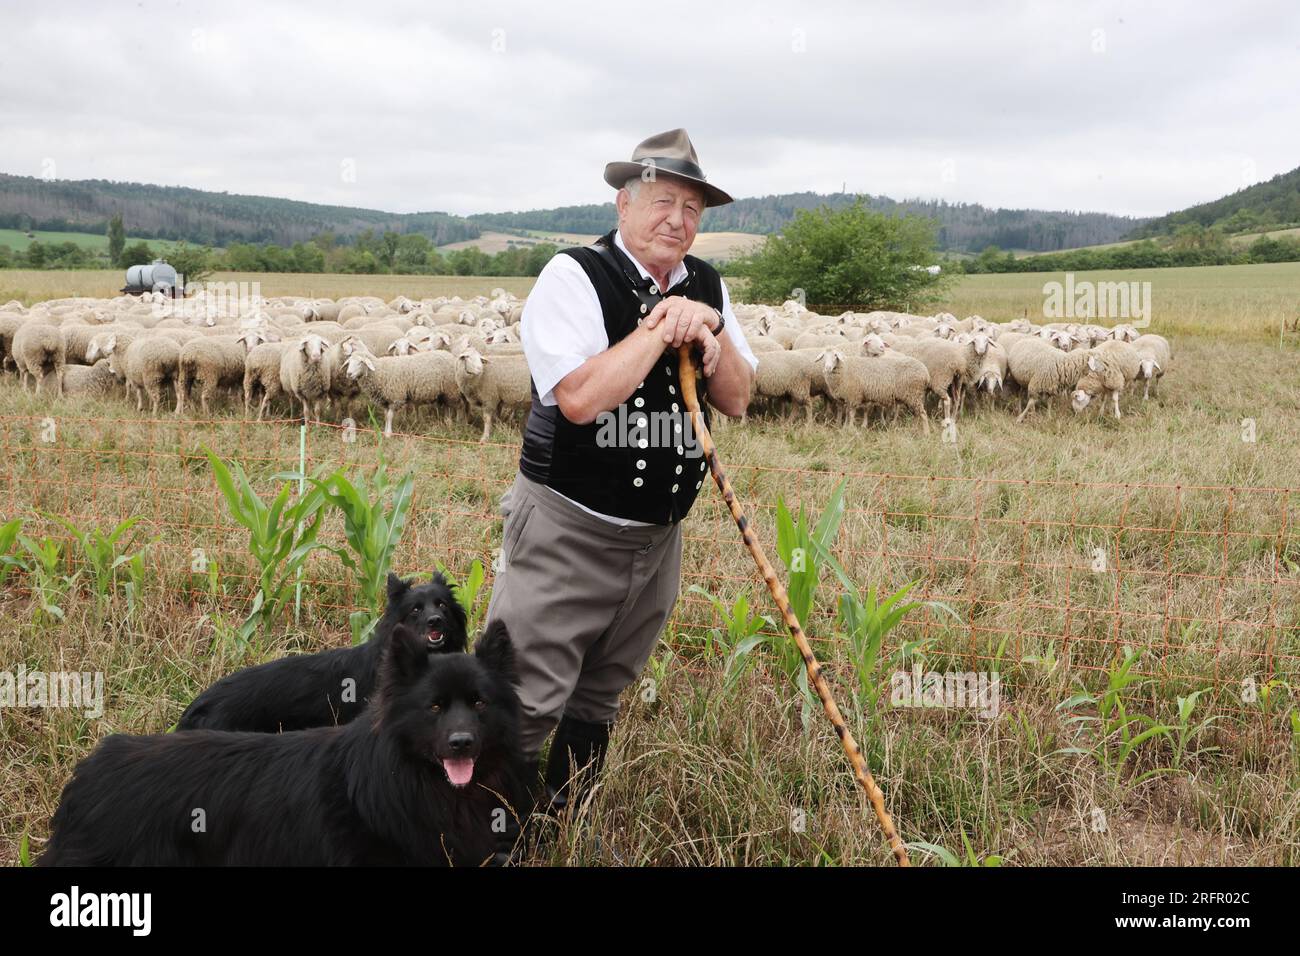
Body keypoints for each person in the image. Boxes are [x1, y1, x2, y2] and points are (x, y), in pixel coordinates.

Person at [484, 128, 757, 820]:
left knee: (600, 692)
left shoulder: (708, 287)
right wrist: (660, 329)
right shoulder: (574, 277)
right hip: (567, 529)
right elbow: (577, 397)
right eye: (664, 201)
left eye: (693, 210)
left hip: (656, 542)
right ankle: (483, 836)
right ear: (624, 203)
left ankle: (562, 824)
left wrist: (711, 335)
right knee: (523, 696)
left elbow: (740, 398)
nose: (678, 220)